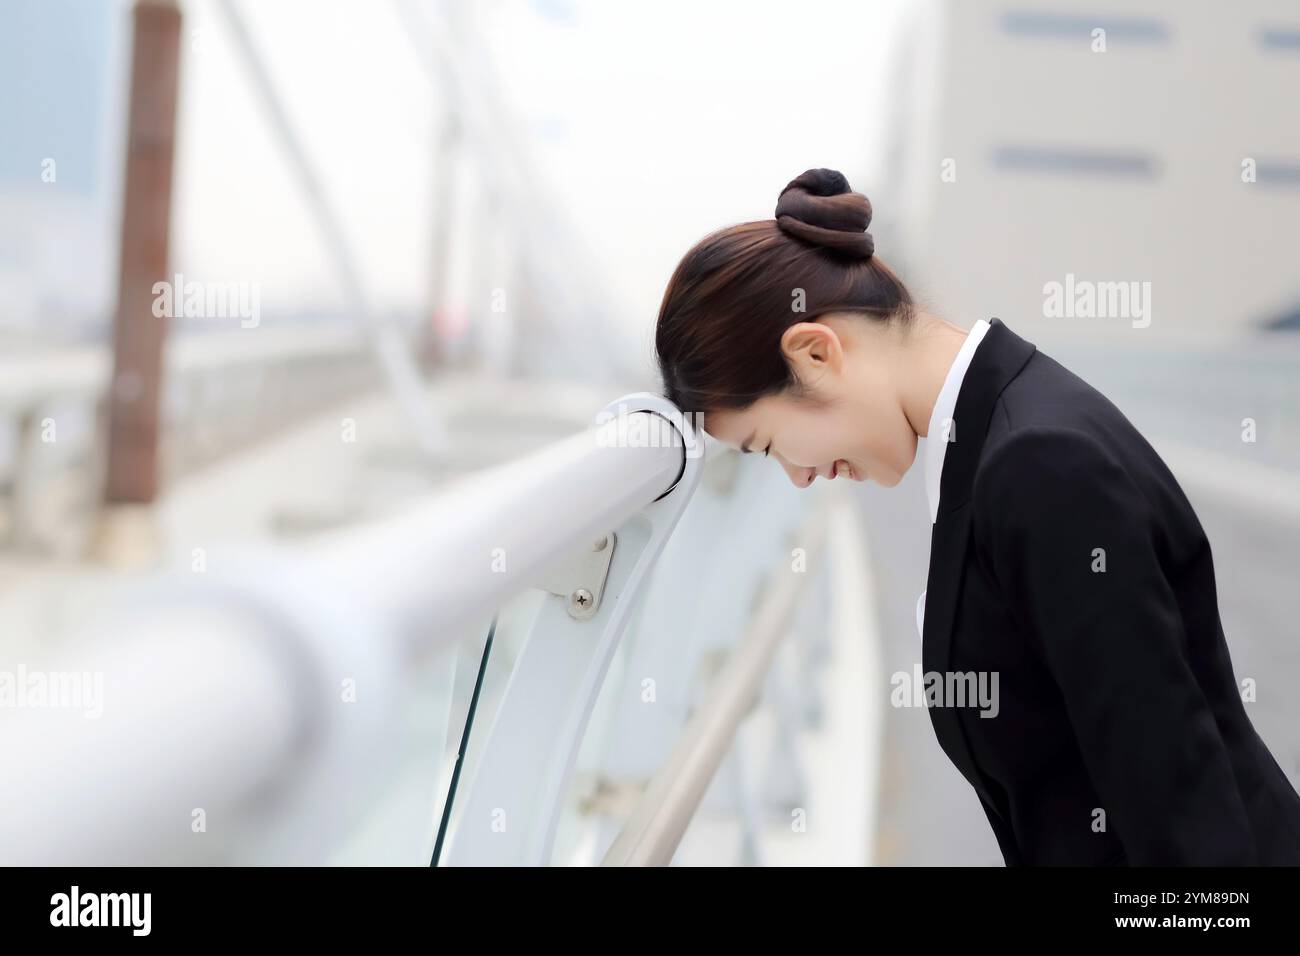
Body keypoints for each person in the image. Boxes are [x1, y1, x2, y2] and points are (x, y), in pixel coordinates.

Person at [653, 166, 1300, 865]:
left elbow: (1179, 805)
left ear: (816, 352)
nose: (800, 476)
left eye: (770, 444)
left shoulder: (1039, 463)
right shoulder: (996, 434)